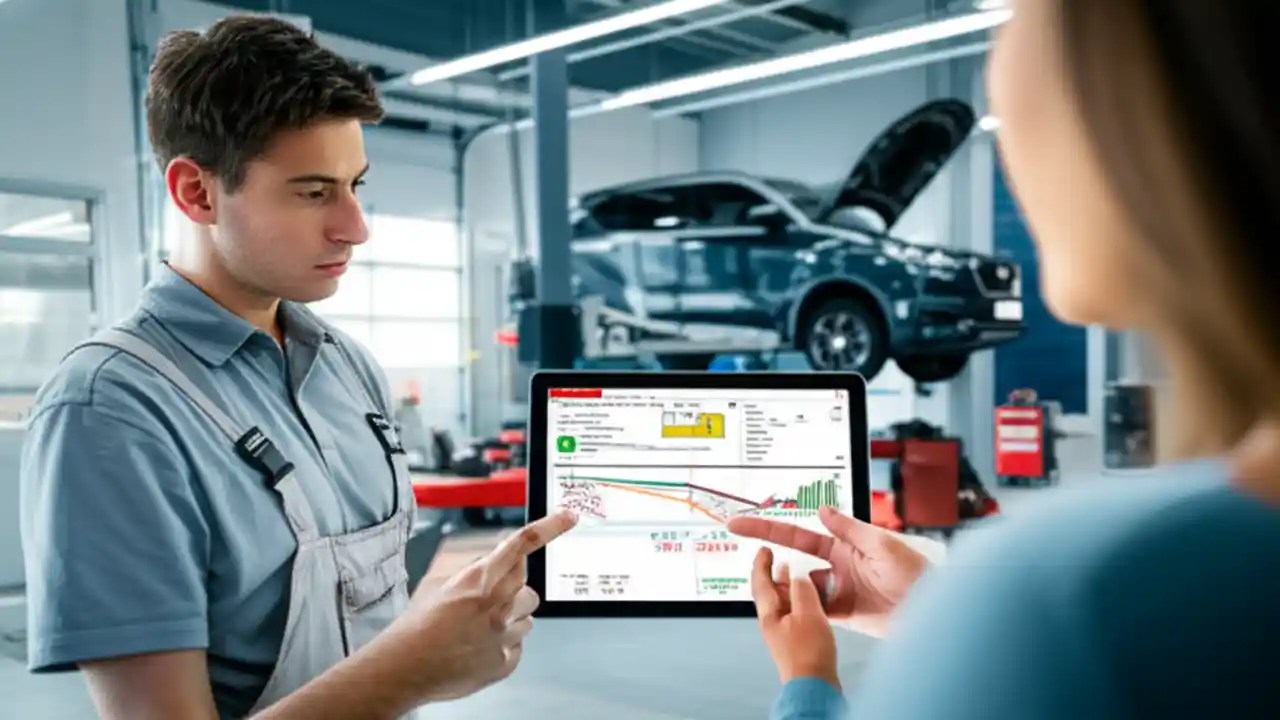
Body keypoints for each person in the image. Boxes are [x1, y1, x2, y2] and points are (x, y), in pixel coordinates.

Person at [731, 1, 1280, 718]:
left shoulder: (1077, 599)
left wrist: (810, 683)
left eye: (1017, 9)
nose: (998, 77)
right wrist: (943, 620)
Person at [19, 15, 578, 719]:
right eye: (315, 192)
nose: (356, 226)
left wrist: (450, 624)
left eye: (357, 185)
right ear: (197, 192)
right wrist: (411, 671)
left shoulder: (350, 370)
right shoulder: (111, 411)